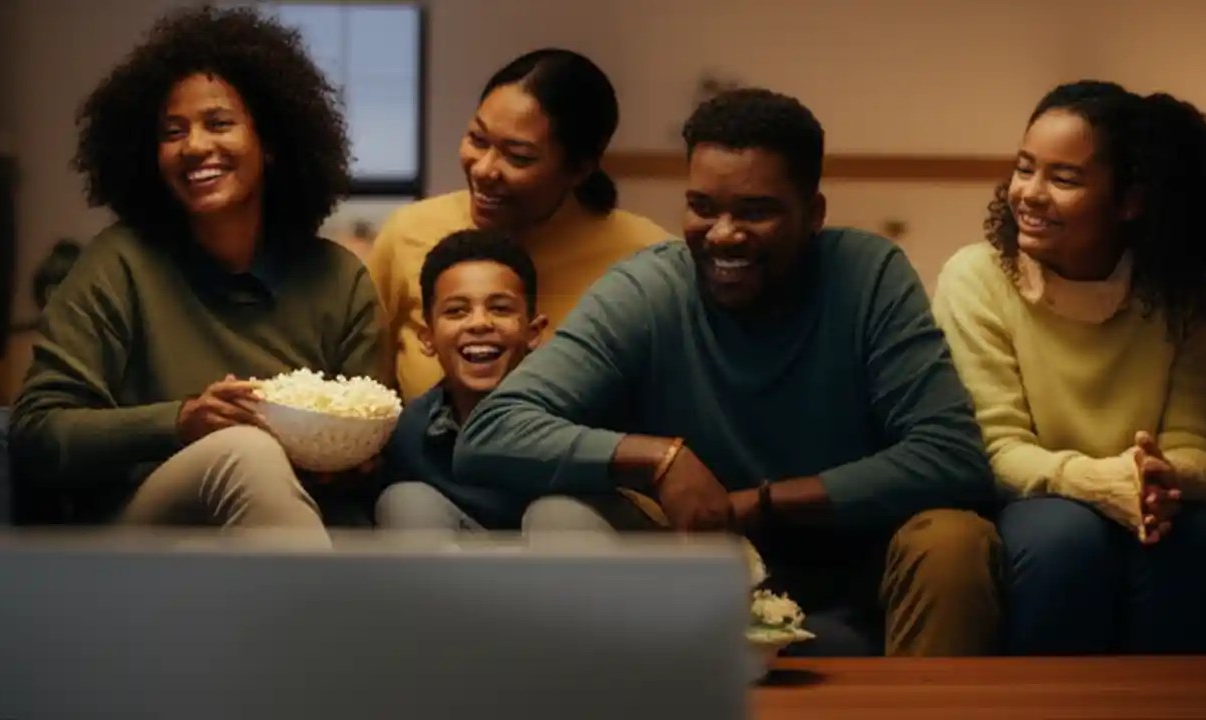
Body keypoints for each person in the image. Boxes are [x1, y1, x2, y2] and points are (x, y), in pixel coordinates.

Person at [456, 88, 1001, 656]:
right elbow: (492, 430)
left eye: (755, 211)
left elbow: (951, 455)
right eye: (702, 206)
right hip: (697, 576)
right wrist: (661, 460)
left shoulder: (867, 275)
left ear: (813, 214)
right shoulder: (648, 289)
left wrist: (759, 504)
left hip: (857, 569)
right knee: (559, 515)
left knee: (955, 541)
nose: (722, 233)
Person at [9, 7, 385, 544]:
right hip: (140, 538)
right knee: (246, 451)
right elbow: (37, 430)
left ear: (271, 142)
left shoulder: (339, 281)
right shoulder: (120, 264)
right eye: (172, 131)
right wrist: (182, 421)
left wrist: (348, 461)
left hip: (295, 530)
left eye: (219, 123)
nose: (194, 147)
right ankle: (323, 625)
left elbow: (364, 448)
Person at [933, 80, 1206, 654]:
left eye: (1064, 178)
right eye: (1024, 168)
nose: (1029, 194)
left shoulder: (1184, 297)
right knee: (1062, 535)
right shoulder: (976, 278)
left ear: (1130, 199)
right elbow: (997, 449)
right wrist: (1103, 482)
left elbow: (1204, 448)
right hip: (1028, 502)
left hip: (1150, 503)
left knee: (1196, 540)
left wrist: (1162, 478)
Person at [367, 48, 669, 400]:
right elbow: (367, 397)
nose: (483, 169)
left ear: (579, 169)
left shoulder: (648, 261)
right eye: (478, 139)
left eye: (518, 157)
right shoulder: (409, 232)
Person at [375, 229, 546, 530]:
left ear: (533, 333)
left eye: (500, 308)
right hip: (456, 564)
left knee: (559, 512)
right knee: (403, 500)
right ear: (427, 338)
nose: (479, 323)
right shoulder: (410, 435)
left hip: (557, 563)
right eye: (456, 311)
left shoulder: (571, 418)